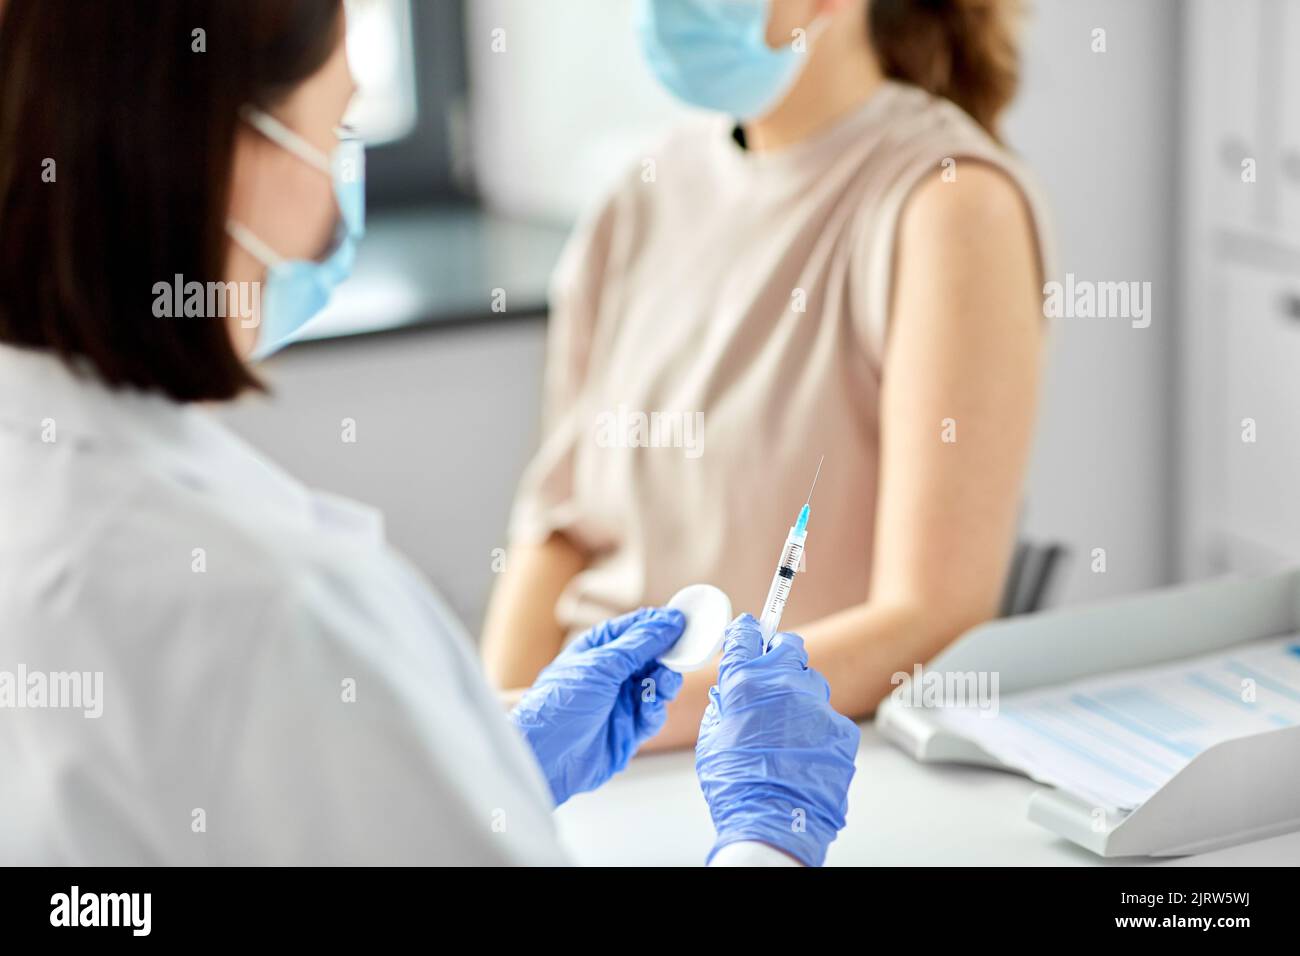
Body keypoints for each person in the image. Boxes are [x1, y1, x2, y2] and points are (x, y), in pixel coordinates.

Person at [0, 0, 858, 866]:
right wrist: (767, 829)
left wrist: (486, 754)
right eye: (336, 126)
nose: (344, 180)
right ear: (230, 155)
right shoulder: (276, 605)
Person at [482, 0, 1053, 747]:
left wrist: (601, 721)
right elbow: (557, 525)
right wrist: (499, 735)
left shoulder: (949, 207)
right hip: (588, 752)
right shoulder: (641, 194)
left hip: (761, 766)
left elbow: (929, 619)